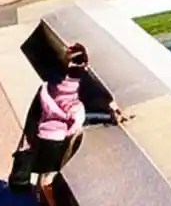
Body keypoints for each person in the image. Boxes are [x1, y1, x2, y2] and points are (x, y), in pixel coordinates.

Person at [16, 44, 107, 206]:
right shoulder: (75, 87)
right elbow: (93, 92)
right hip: (59, 138)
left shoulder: (51, 85)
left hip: (44, 135)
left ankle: (39, 199)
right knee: (49, 179)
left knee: (43, 178)